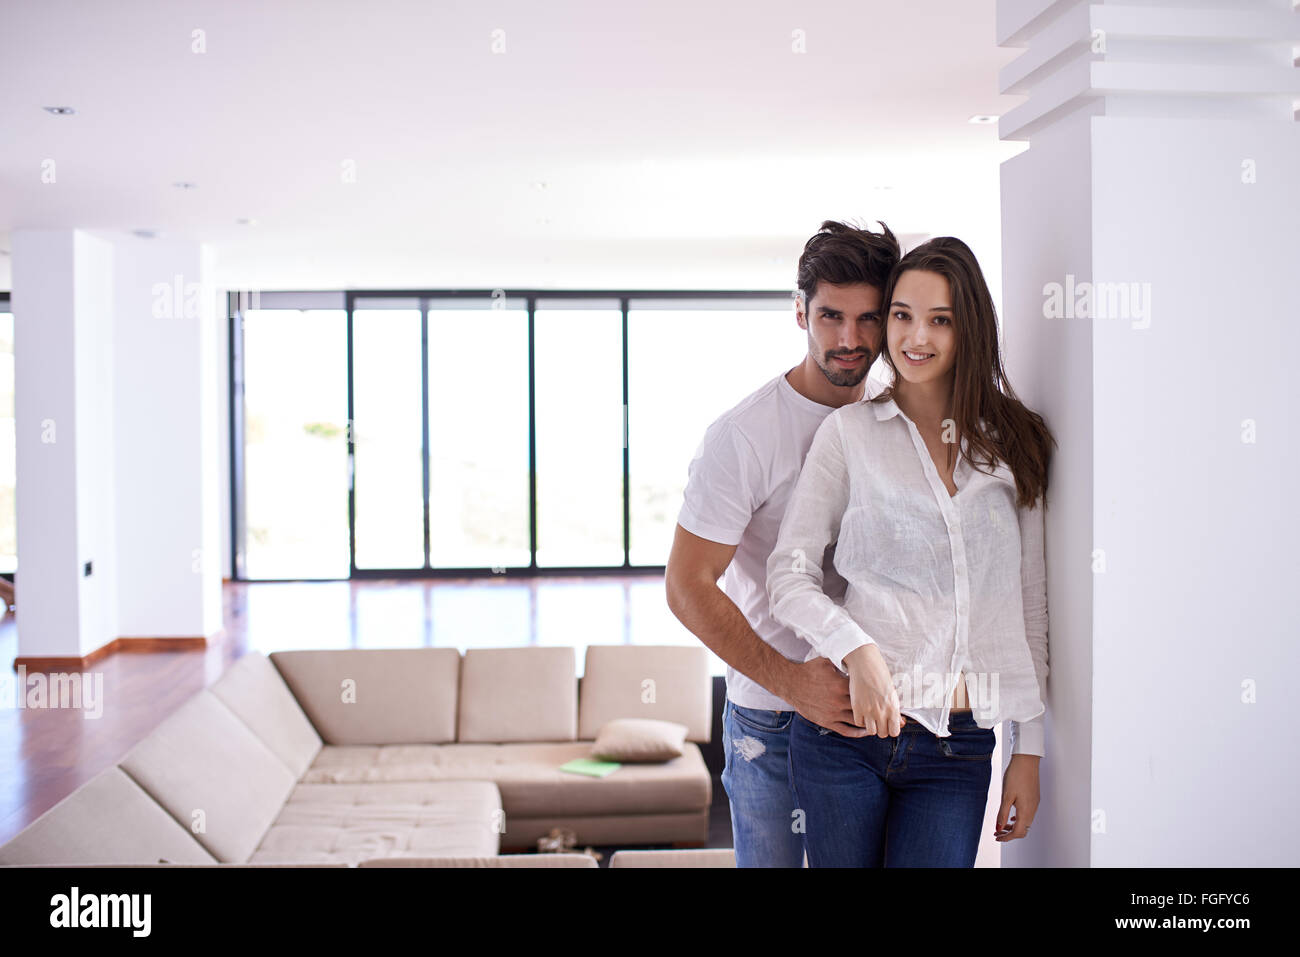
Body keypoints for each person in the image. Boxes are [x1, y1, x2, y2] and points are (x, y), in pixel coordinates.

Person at [766, 236, 1054, 867]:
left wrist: (1026, 751)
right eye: (901, 314)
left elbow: (1029, 606)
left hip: (958, 748)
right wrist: (857, 650)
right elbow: (789, 575)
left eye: (939, 319)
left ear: (968, 327)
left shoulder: (1016, 444)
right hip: (843, 737)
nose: (915, 337)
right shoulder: (849, 435)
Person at [664, 220, 900, 867]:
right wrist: (792, 683)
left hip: (878, 712)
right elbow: (686, 586)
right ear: (800, 311)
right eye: (830, 315)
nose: (849, 339)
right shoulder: (744, 435)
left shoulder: (901, 417)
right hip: (773, 720)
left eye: (868, 318)